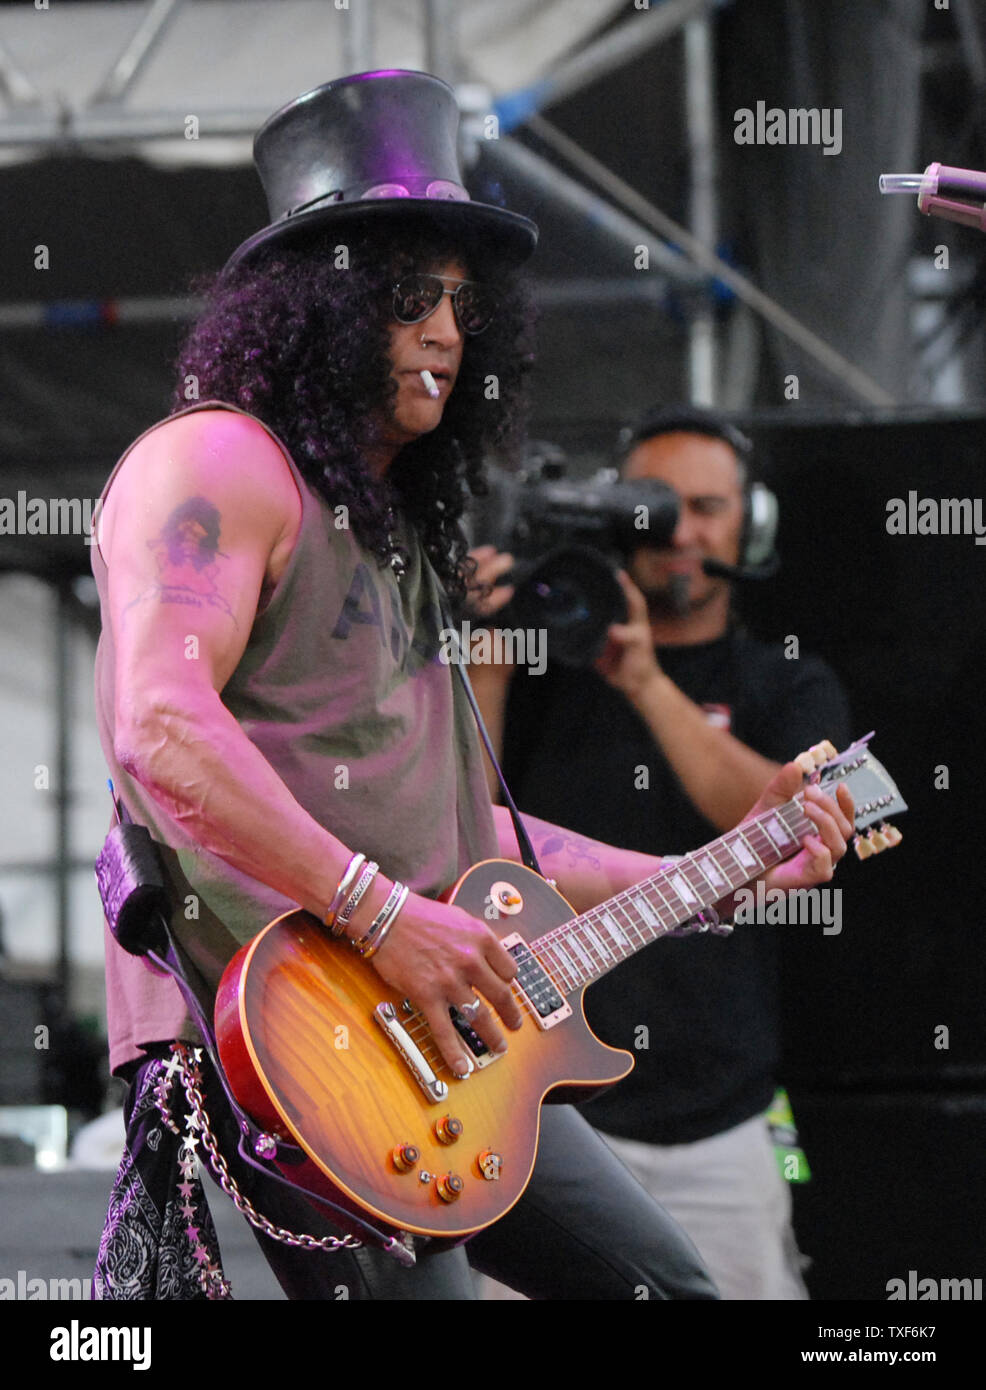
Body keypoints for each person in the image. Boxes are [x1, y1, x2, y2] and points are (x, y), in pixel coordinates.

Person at [89, 72, 854, 1301]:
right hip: (288, 1021)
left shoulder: (397, 536)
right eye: (408, 299)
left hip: (438, 1028)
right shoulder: (217, 461)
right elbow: (158, 724)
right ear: (317, 310)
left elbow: (467, 840)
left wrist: (712, 870)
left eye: (460, 299)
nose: (447, 330)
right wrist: (384, 916)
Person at [470, 407, 851, 1299]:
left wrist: (642, 679)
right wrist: (484, 659)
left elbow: (773, 823)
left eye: (709, 508)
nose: (683, 532)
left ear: (749, 524)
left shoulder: (785, 679)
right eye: (656, 508)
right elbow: (458, 831)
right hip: (535, 1109)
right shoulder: (537, 676)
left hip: (721, 1120)